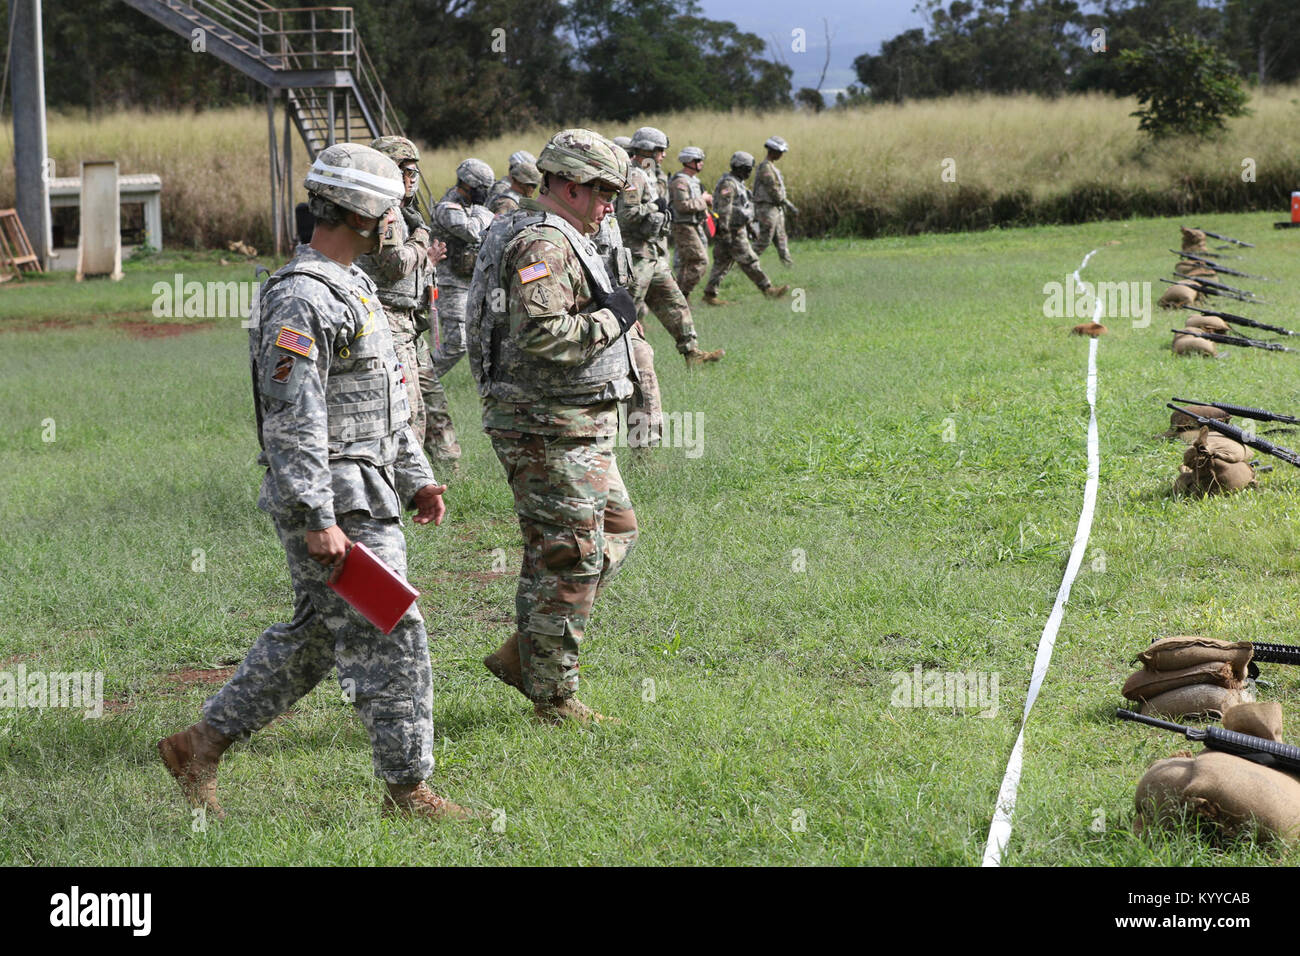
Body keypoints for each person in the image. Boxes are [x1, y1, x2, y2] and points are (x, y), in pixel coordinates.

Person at [156, 143, 469, 820]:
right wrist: (316, 517)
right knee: (394, 626)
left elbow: (383, 399)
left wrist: (418, 476)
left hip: (370, 489)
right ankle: (407, 790)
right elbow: (292, 421)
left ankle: (199, 745)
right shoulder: (302, 298)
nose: (396, 220)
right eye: (389, 208)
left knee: (318, 635)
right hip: (334, 500)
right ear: (360, 213)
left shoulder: (353, 284)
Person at [466, 129, 641, 724]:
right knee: (568, 554)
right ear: (569, 186)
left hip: (572, 420)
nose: (610, 204)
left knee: (615, 529)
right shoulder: (544, 241)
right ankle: (553, 696)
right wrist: (611, 320)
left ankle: (529, 649)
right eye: (602, 192)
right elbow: (542, 336)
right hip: (545, 422)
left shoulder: (554, 232)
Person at [355, 136, 446, 444]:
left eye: (412, 173)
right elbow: (395, 265)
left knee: (421, 405)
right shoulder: (384, 213)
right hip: (388, 319)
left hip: (407, 321)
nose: (409, 180)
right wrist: (421, 242)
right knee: (405, 411)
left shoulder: (401, 211)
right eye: (402, 171)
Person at [616, 126, 723, 367]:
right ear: (648, 150)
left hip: (653, 255)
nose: (664, 155)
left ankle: (692, 353)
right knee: (625, 311)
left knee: (676, 303)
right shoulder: (632, 176)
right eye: (661, 151)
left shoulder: (648, 175)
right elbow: (627, 216)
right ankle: (612, 363)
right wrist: (656, 208)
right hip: (636, 256)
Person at [421, 158, 496, 471]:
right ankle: (422, 380)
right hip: (450, 284)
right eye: (480, 189)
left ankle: (487, 386)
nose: (484, 195)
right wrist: (483, 216)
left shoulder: (471, 206)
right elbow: (473, 232)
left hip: (475, 282)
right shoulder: (448, 208)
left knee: (486, 337)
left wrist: (484, 215)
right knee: (457, 343)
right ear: (466, 184)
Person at [702, 151, 789, 305]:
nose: (750, 172)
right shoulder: (728, 184)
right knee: (749, 260)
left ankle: (709, 294)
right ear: (740, 168)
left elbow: (743, 208)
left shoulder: (738, 183)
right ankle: (768, 289)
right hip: (731, 231)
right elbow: (725, 209)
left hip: (735, 229)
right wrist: (726, 231)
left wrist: (750, 228)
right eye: (748, 169)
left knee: (722, 263)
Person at [668, 146, 712, 300]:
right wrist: (704, 200)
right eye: (698, 160)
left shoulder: (695, 181)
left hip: (695, 224)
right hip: (683, 226)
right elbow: (682, 206)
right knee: (700, 261)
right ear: (688, 161)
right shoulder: (680, 182)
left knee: (686, 264)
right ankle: (681, 295)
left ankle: (679, 299)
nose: (701, 163)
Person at [752, 135, 796, 265]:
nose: (781, 155)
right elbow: (773, 188)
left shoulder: (771, 167)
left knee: (781, 239)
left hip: (775, 208)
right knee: (764, 240)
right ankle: (745, 264)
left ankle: (788, 266)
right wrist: (787, 203)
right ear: (773, 151)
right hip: (767, 208)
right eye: (780, 152)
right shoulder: (765, 167)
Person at [488, 150, 543, 215]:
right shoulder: (507, 202)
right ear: (522, 183)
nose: (533, 189)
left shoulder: (516, 200)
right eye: (533, 186)